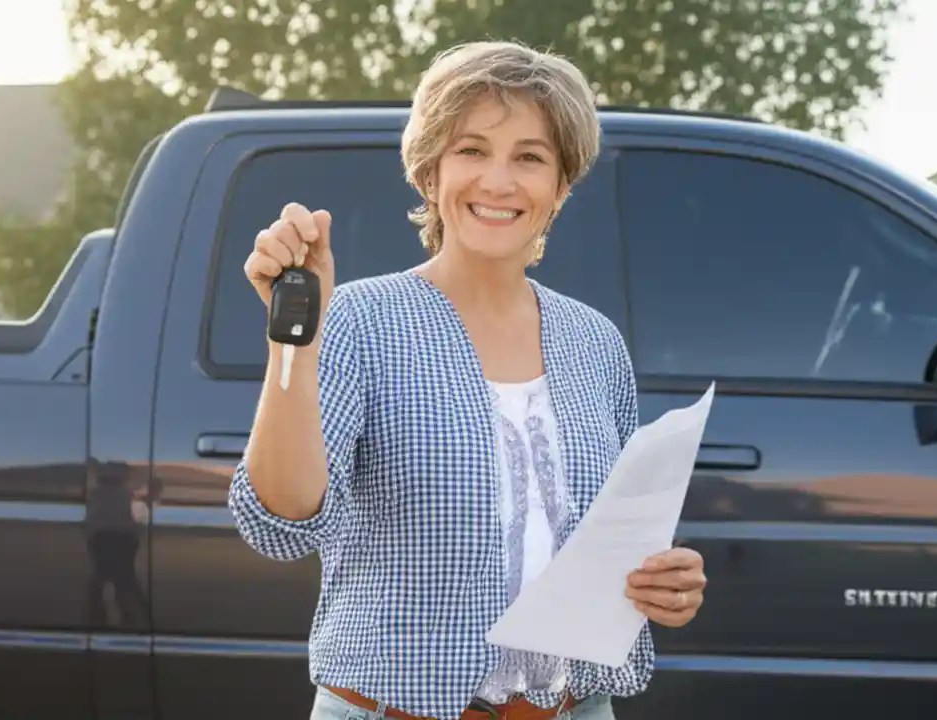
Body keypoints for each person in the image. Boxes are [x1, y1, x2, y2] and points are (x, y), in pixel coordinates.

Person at [229, 40, 708, 720]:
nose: (499, 180)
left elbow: (616, 547)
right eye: (472, 150)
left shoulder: (596, 343)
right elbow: (280, 518)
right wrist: (295, 343)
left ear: (561, 188)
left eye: (530, 157)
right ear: (430, 172)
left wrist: (665, 587)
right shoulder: (361, 319)